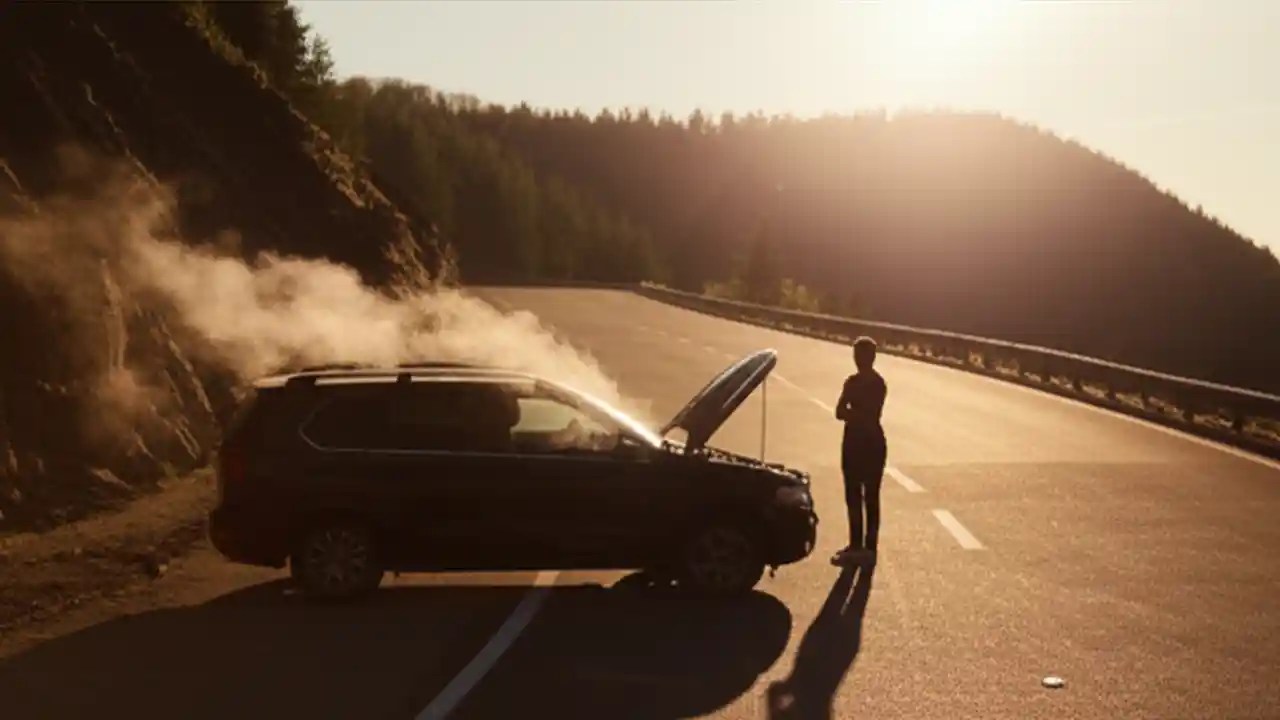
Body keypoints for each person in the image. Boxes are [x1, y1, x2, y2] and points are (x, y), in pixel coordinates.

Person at [832, 336, 887, 566]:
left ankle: (863, 547)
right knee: (862, 496)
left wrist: (852, 413)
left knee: (862, 496)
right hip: (869, 440)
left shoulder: (859, 383)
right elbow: (841, 411)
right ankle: (862, 547)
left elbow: (843, 411)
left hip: (860, 442)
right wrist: (857, 414)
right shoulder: (876, 383)